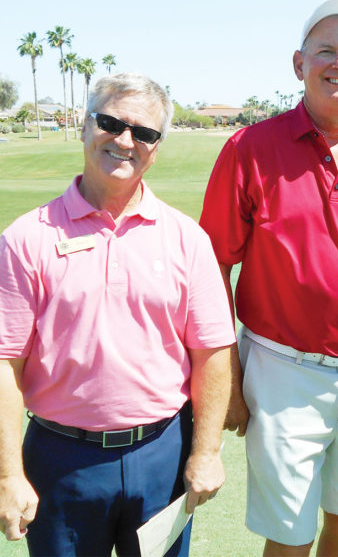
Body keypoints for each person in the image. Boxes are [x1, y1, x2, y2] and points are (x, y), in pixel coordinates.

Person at [199, 0, 338, 557]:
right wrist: (228, 375)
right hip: (282, 371)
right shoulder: (250, 148)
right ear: (299, 63)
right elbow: (212, 268)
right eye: (325, 50)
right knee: (290, 538)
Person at [0, 72, 235, 556]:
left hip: (162, 454)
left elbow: (212, 353)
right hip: (60, 460)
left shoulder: (186, 239)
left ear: (156, 147)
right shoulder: (26, 238)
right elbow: (5, 361)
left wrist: (207, 451)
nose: (125, 141)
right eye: (111, 123)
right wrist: (8, 475)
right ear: (85, 126)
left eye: (144, 132)